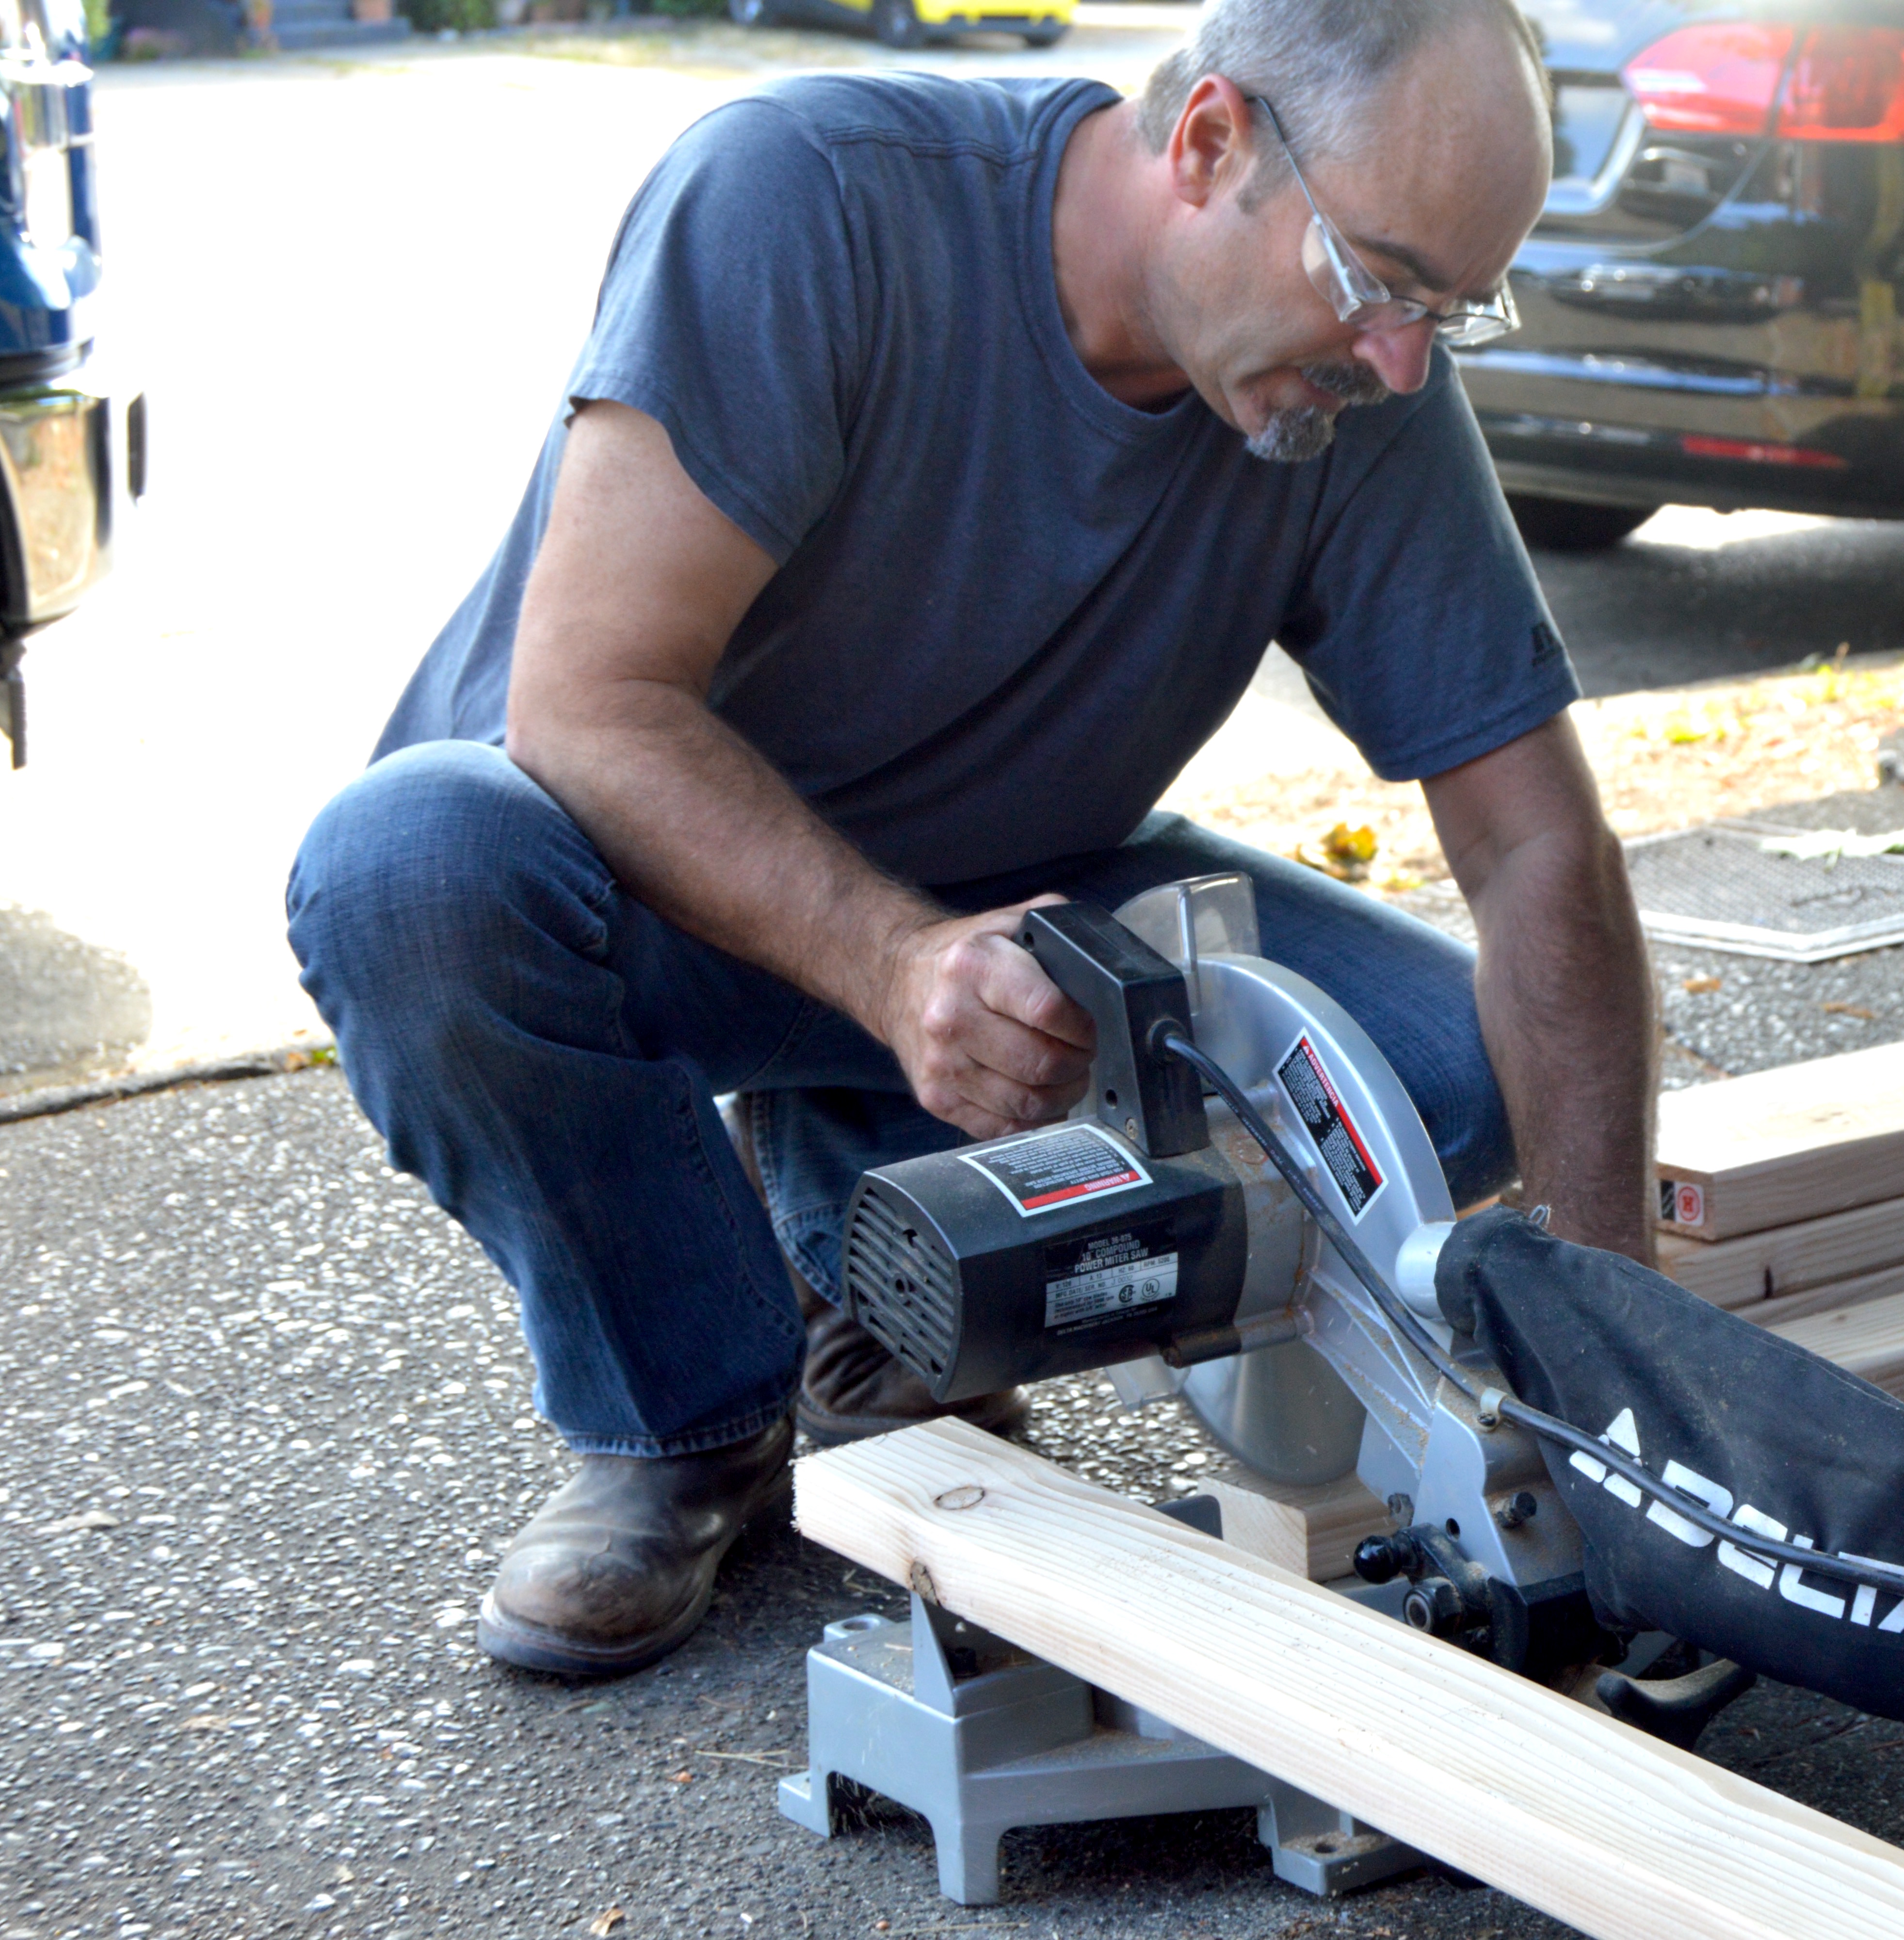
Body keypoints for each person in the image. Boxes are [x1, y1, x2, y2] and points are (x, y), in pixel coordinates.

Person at [283, 0, 1658, 1680]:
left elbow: (1540, 860)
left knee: (1451, 1075)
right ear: (1210, 141)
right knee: (403, 873)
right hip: (626, 888)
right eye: (1379, 281)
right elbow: (587, 708)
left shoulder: (1359, 394)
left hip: (1012, 918)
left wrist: (1608, 1357)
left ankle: (880, 1282)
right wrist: (892, 961)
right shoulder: (809, 202)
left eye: (1453, 306)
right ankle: (687, 1420)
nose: (1402, 359)